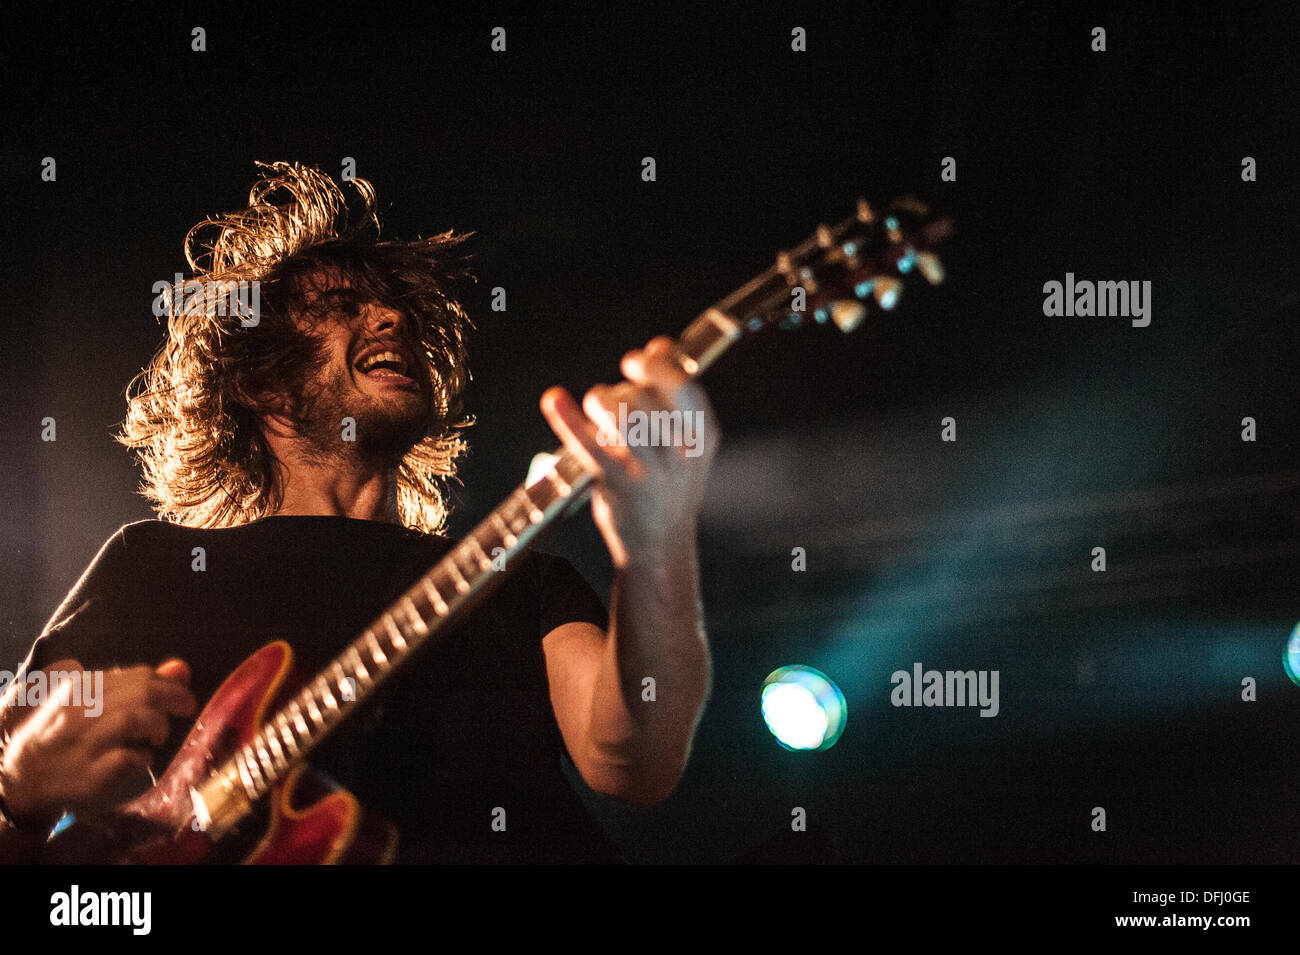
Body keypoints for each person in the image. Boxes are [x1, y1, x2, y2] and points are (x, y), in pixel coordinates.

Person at [0, 162, 715, 863]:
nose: (392, 316)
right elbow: (25, 737)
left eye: (394, 305)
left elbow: (633, 763)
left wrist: (658, 541)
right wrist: (18, 788)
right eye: (342, 305)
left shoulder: (521, 576)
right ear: (259, 378)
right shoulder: (154, 564)